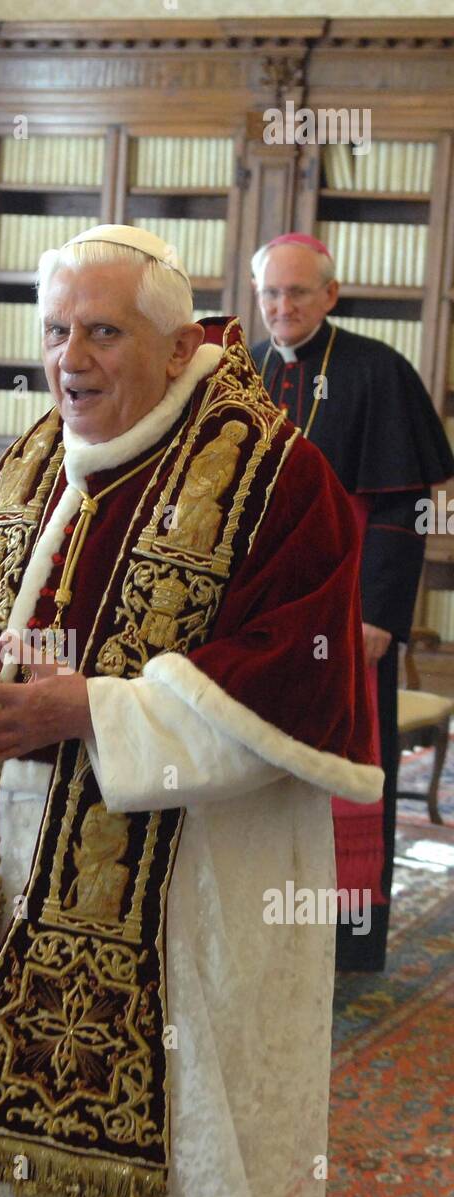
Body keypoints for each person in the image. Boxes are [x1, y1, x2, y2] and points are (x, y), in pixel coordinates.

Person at [0, 224, 383, 1197]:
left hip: (189, 923)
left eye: (103, 332)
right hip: (9, 915)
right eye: (57, 329)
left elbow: (293, 687)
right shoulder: (30, 460)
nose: (71, 358)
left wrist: (91, 714)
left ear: (175, 345)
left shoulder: (275, 473)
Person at [250, 232, 454, 972]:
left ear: (330, 295)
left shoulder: (378, 371)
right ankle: (262, 912)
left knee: (346, 760)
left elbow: (403, 506)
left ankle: (343, 934)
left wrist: (380, 614)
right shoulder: (244, 370)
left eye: (297, 292)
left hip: (347, 609)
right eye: (270, 293)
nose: (282, 308)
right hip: (261, 607)